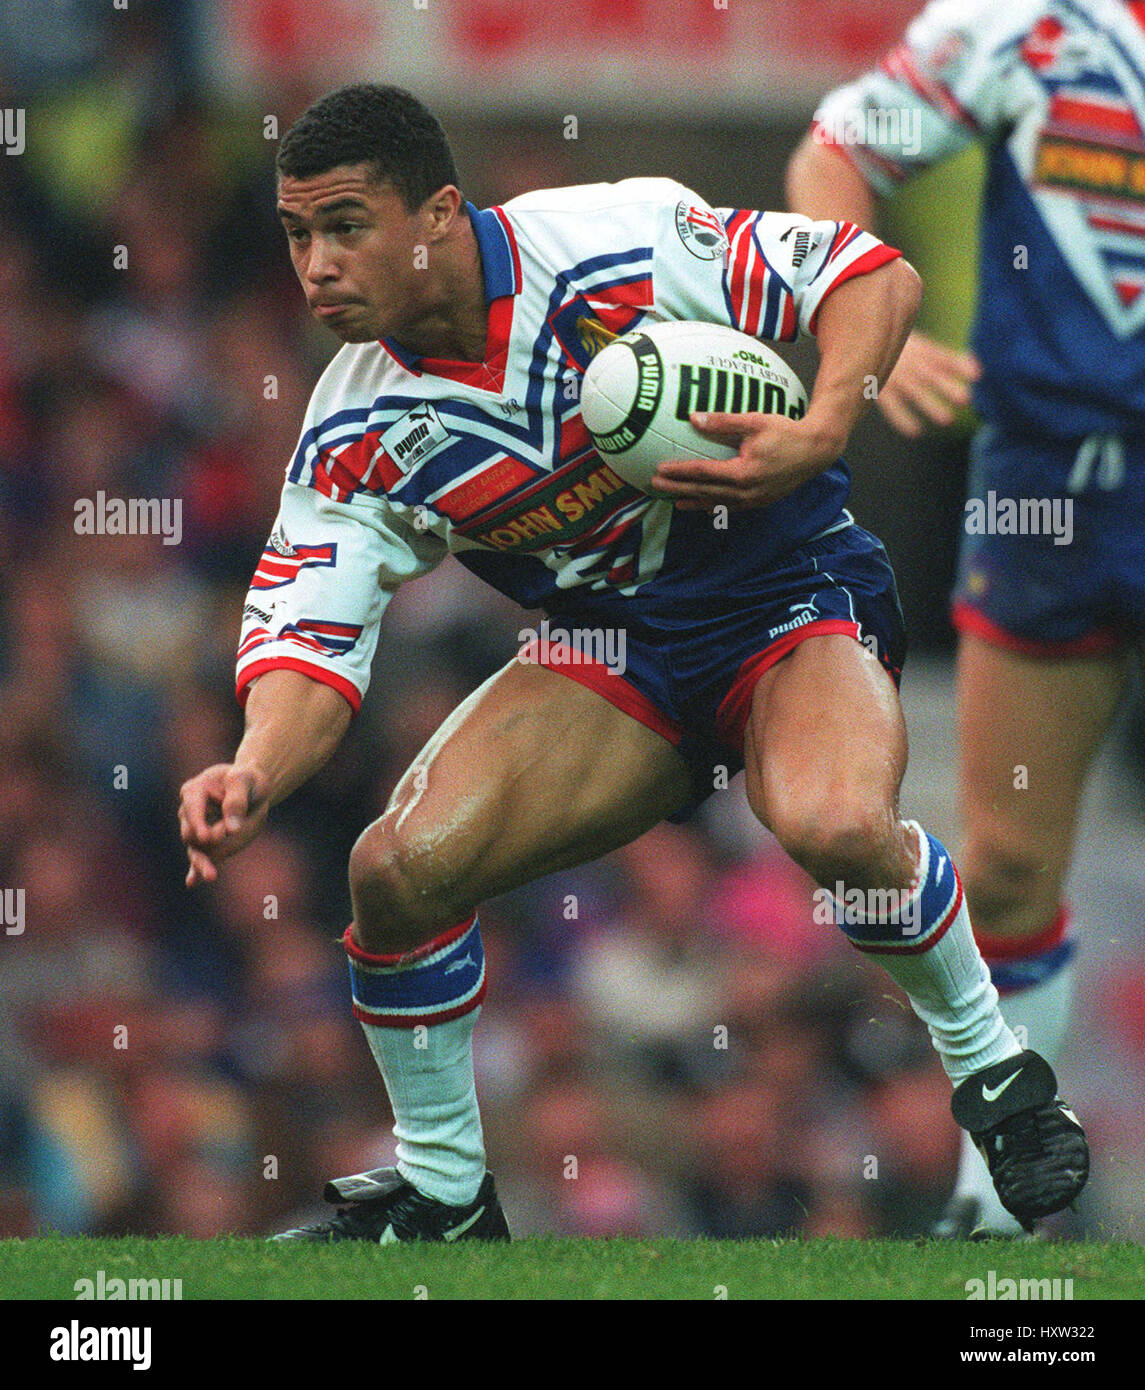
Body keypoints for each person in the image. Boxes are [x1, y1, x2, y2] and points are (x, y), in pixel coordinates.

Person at [177, 82, 1088, 1244]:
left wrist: (818, 423)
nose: (315, 263)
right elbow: (309, 644)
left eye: (346, 224)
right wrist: (253, 767)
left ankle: (994, 1071)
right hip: (613, 656)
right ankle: (447, 1191)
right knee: (394, 872)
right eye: (298, 234)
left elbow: (872, 275)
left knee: (832, 822)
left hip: (783, 593)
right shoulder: (351, 435)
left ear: (440, 214)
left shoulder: (613, 241)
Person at [785, 0, 1145, 1237]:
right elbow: (835, 147)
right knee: (999, 864)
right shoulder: (1028, 25)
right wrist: (864, 341)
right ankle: (994, 1216)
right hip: (1049, 484)